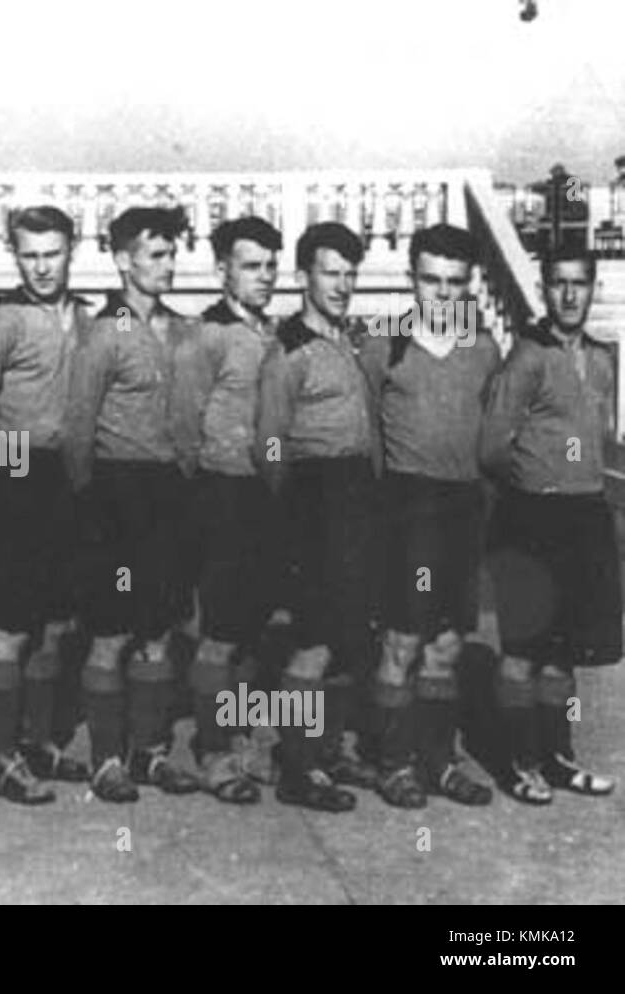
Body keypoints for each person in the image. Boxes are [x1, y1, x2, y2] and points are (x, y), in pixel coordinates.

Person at [0, 205, 92, 804]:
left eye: (52, 253)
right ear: (16, 255)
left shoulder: (87, 317)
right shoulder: (5, 319)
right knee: (9, 626)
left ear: (71, 249)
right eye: (30, 254)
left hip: (72, 484)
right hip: (20, 485)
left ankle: (35, 740)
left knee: (54, 626)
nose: (41, 267)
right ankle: (0, 754)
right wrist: (15, 458)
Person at [63, 206, 201, 802]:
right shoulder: (103, 334)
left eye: (172, 255)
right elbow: (76, 432)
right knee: (112, 632)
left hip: (168, 496)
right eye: (155, 256)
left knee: (159, 631)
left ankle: (149, 753)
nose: (167, 267)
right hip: (114, 500)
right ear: (122, 260)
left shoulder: (182, 330)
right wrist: (91, 512)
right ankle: (106, 759)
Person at [359, 224, 497, 808]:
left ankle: (439, 761)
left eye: (454, 283)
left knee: (446, 644)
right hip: (407, 507)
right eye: (430, 280)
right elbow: (367, 433)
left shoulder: (484, 348)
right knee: (402, 641)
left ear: (470, 285)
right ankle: (392, 763)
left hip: (462, 505)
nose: (442, 294)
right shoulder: (382, 342)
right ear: (411, 278)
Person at [480, 245, 621, 804]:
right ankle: (519, 762)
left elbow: (597, 438)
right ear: (543, 290)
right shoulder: (526, 357)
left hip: (585, 518)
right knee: (522, 650)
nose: (569, 295)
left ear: (593, 290)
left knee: (565, 652)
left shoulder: (606, 357)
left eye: (579, 284)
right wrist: (536, 483)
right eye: (558, 284)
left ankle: (559, 758)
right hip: (532, 517)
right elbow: (491, 446)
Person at [256, 221, 380, 812]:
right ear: (304, 277)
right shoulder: (289, 351)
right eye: (331, 272)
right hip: (312, 498)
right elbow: (270, 442)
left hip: (356, 496)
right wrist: (291, 511)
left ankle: (328, 751)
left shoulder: (350, 340)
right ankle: (298, 767)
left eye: (350, 273)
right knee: (312, 639)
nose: (342, 284)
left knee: (346, 637)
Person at [172, 216, 284, 803]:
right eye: (250, 265)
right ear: (222, 271)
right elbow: (182, 427)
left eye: (270, 266)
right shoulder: (205, 336)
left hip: (269, 496)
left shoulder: (274, 332)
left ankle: (245, 737)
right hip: (222, 494)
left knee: (254, 629)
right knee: (218, 632)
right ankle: (213, 749)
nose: (263, 277)